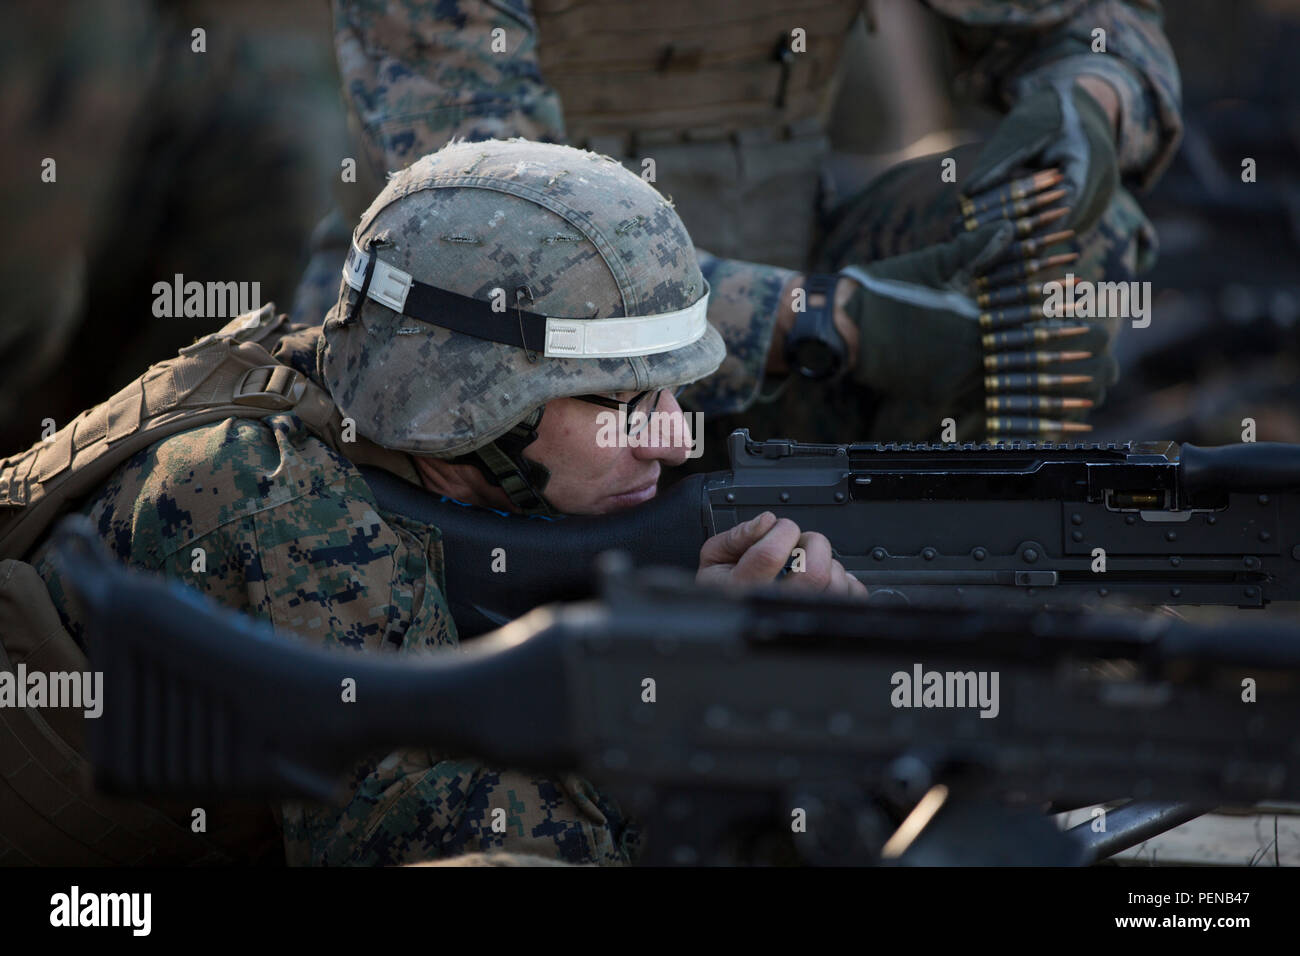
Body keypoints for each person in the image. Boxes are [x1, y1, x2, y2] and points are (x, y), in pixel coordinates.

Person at [9, 139, 864, 867]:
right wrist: (684, 688)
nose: (674, 441)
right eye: (620, 403)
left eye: (679, 393)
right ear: (470, 400)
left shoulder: (367, 410)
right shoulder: (269, 501)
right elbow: (487, 848)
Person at [292, 0, 1183, 453]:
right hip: (490, 354)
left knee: (1071, 238)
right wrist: (827, 322)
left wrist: (1089, 106)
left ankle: (953, 598)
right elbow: (482, 229)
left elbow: (1092, 26)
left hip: (787, 280)